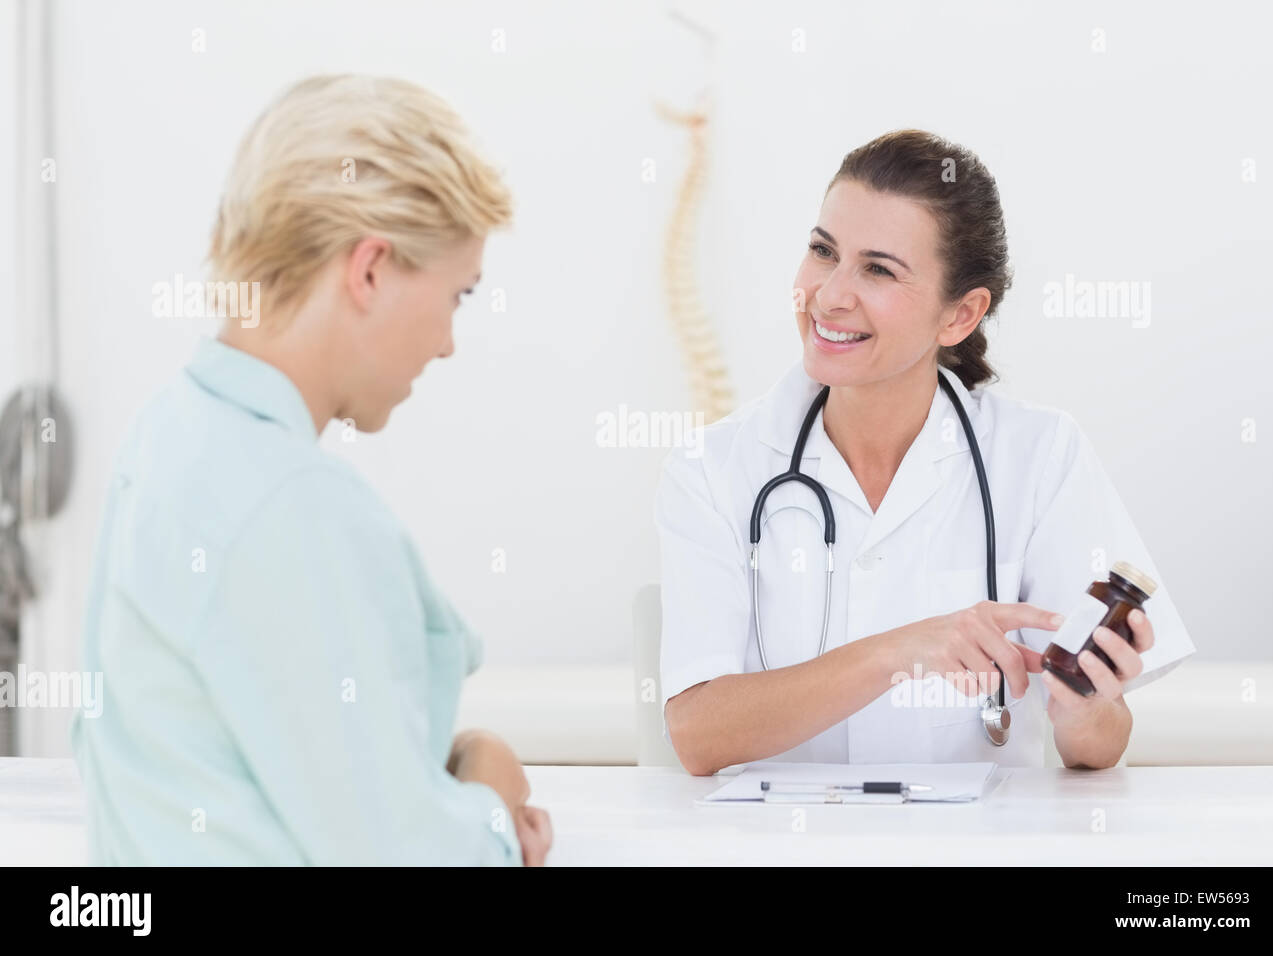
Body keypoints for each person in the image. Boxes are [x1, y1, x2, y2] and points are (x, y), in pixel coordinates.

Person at [70, 74, 551, 865]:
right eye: (458, 297)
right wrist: (491, 802)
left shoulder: (164, 438)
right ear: (369, 270)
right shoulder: (292, 504)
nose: (446, 344)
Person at [655, 129, 1195, 776]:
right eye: (823, 251)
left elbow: (1098, 748)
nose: (830, 294)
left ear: (960, 316)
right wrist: (897, 652)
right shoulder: (713, 470)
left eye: (878, 269)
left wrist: (1084, 707)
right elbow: (696, 734)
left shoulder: (1040, 456)